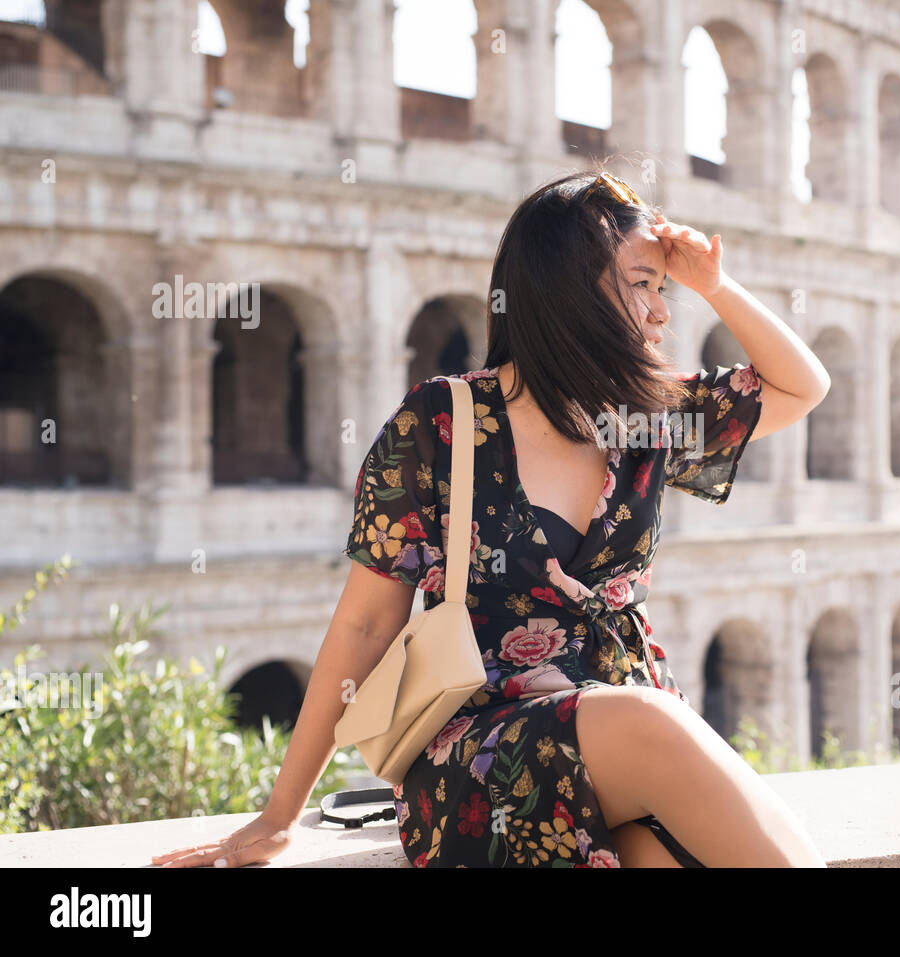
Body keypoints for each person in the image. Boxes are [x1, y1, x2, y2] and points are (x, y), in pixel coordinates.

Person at [150, 169, 831, 868]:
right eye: (642, 283)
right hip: (480, 755)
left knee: (655, 857)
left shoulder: (650, 417)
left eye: (664, 288)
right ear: (568, 285)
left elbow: (802, 386)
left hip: (623, 739)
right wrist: (278, 813)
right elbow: (363, 625)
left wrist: (713, 282)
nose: (664, 311)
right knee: (650, 723)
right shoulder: (441, 422)